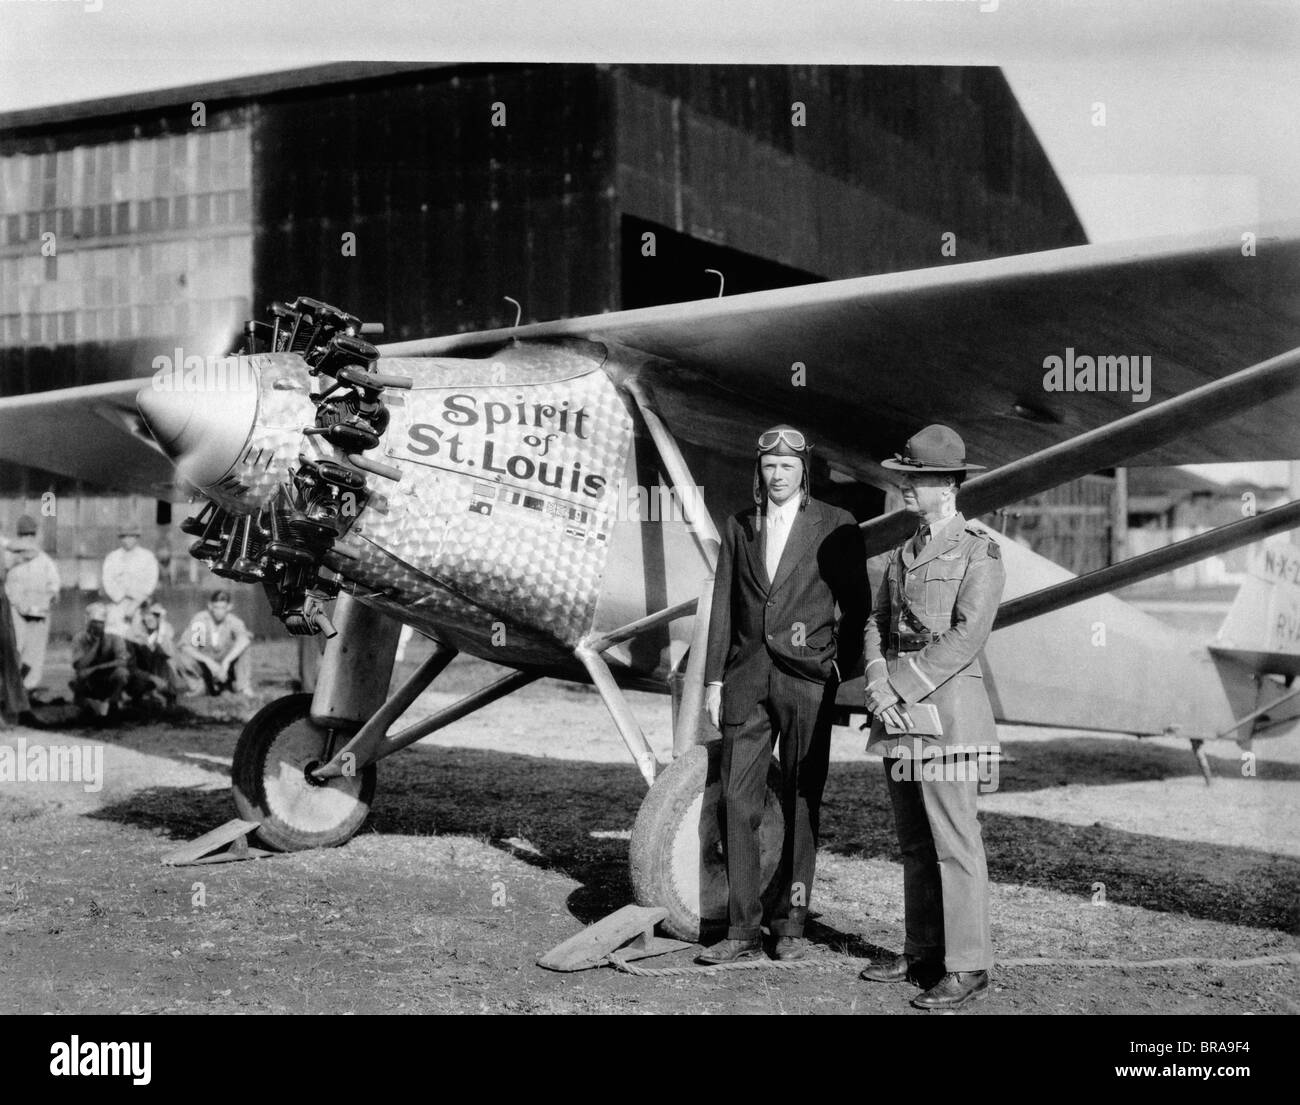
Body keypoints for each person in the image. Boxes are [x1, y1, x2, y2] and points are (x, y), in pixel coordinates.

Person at [699, 424, 867, 964]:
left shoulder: (836, 525)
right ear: (760, 470)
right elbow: (725, 604)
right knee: (735, 799)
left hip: (806, 684)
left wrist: (837, 668)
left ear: (803, 472)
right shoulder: (740, 526)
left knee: (800, 801)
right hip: (746, 681)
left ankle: (791, 925)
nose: (777, 476)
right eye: (769, 466)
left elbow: (859, 606)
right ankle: (742, 930)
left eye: (787, 468)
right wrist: (714, 679)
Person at [858, 424, 1005, 1011]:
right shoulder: (901, 553)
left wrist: (898, 685)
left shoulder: (979, 549)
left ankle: (968, 967)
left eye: (915, 481)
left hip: (949, 717)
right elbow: (875, 621)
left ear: (947, 486)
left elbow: (969, 635)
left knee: (955, 843)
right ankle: (922, 950)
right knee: (915, 843)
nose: (904, 490)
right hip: (899, 719)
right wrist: (876, 680)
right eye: (905, 479)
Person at [4, 515, 61, 694]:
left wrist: (52, 593)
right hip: (16, 609)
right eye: (24, 535)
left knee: (35, 651)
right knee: (15, 648)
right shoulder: (9, 557)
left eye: (30, 534)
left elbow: (54, 582)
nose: (27, 538)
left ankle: (28, 689)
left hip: (39, 611)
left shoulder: (44, 559)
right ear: (18, 536)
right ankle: (12, 689)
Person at [177, 590, 254, 696]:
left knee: (244, 648)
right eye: (216, 607)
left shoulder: (232, 621)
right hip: (205, 663)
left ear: (229, 607)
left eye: (223, 608)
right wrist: (209, 662)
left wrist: (226, 661)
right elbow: (187, 646)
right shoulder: (201, 620)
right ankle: (199, 687)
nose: (219, 612)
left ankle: (243, 687)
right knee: (183, 656)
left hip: (225, 665)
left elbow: (244, 640)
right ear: (210, 606)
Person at [70, 602, 131, 718]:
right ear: (88, 623)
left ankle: (113, 702)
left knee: (122, 673)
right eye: (94, 623)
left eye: (100, 623)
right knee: (77, 678)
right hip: (89, 679)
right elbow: (79, 666)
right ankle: (84, 703)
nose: (98, 626)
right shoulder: (79, 638)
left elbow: (122, 661)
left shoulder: (114, 638)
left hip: (106, 676)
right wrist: (95, 646)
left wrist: (96, 668)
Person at [101, 521, 159, 636]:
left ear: (137, 537)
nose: (127, 540)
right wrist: (122, 599)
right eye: (123, 536)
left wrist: (136, 603)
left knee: (144, 635)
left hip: (142, 603)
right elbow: (108, 582)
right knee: (114, 633)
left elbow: (150, 582)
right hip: (119, 602)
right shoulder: (113, 557)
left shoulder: (147, 557)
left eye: (131, 536)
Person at [125, 601, 183, 710]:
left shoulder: (165, 629)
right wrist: (153, 678)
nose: (151, 618)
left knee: (168, 660)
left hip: (160, 673)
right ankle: (142, 699)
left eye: (155, 615)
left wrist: (161, 630)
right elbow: (131, 667)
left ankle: (170, 696)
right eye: (147, 614)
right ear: (142, 615)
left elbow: (169, 653)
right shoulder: (133, 633)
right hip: (140, 675)